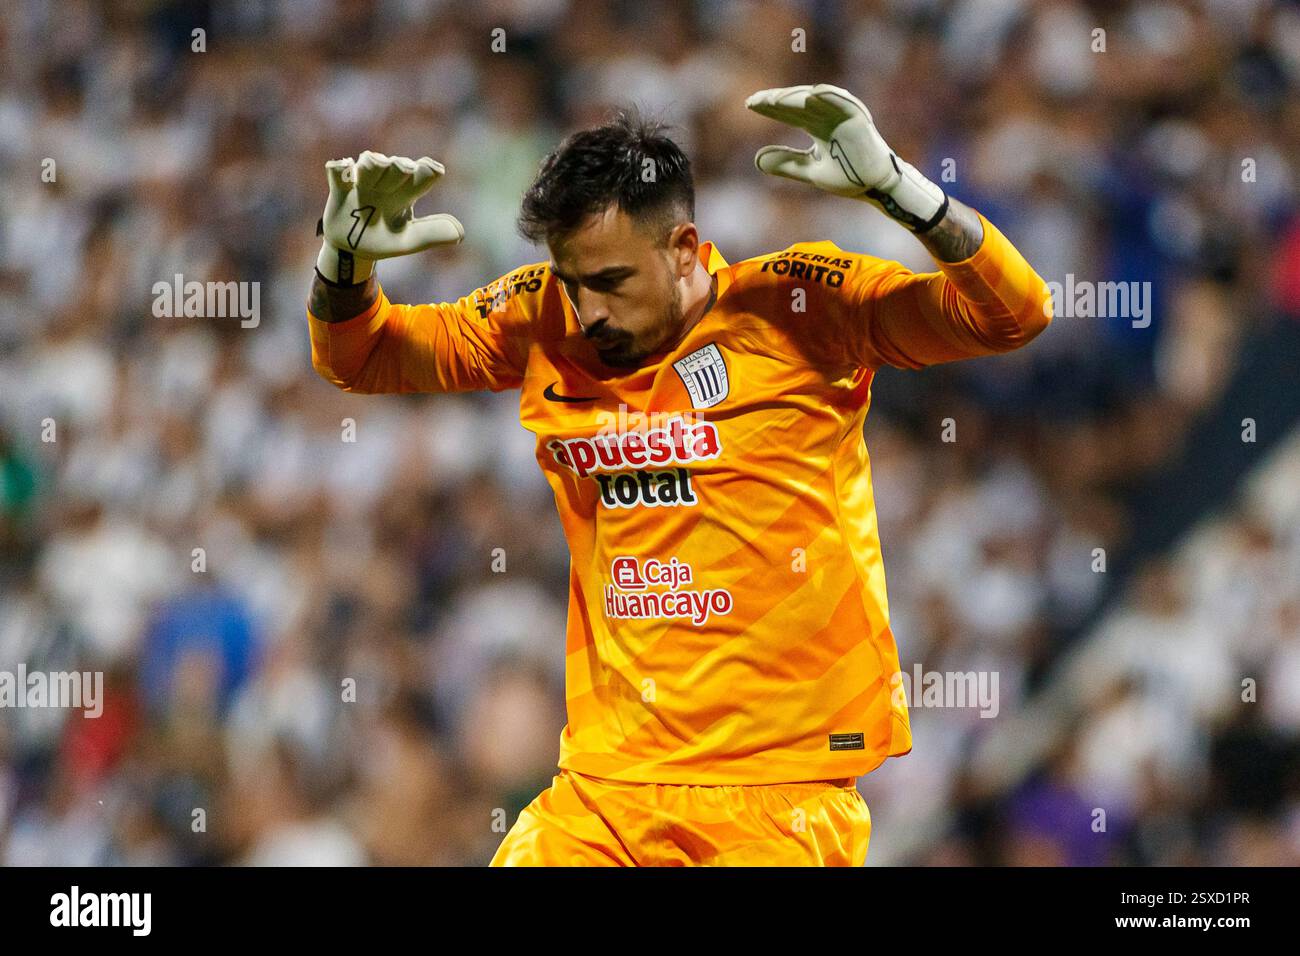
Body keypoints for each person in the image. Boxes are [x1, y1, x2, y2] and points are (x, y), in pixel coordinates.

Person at [305, 84, 1054, 866]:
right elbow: (361, 357)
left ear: (685, 249)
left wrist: (905, 193)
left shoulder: (794, 305)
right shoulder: (545, 319)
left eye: (612, 281)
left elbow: (1014, 314)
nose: (588, 308)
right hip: (606, 790)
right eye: (571, 279)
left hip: (780, 792)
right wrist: (344, 261)